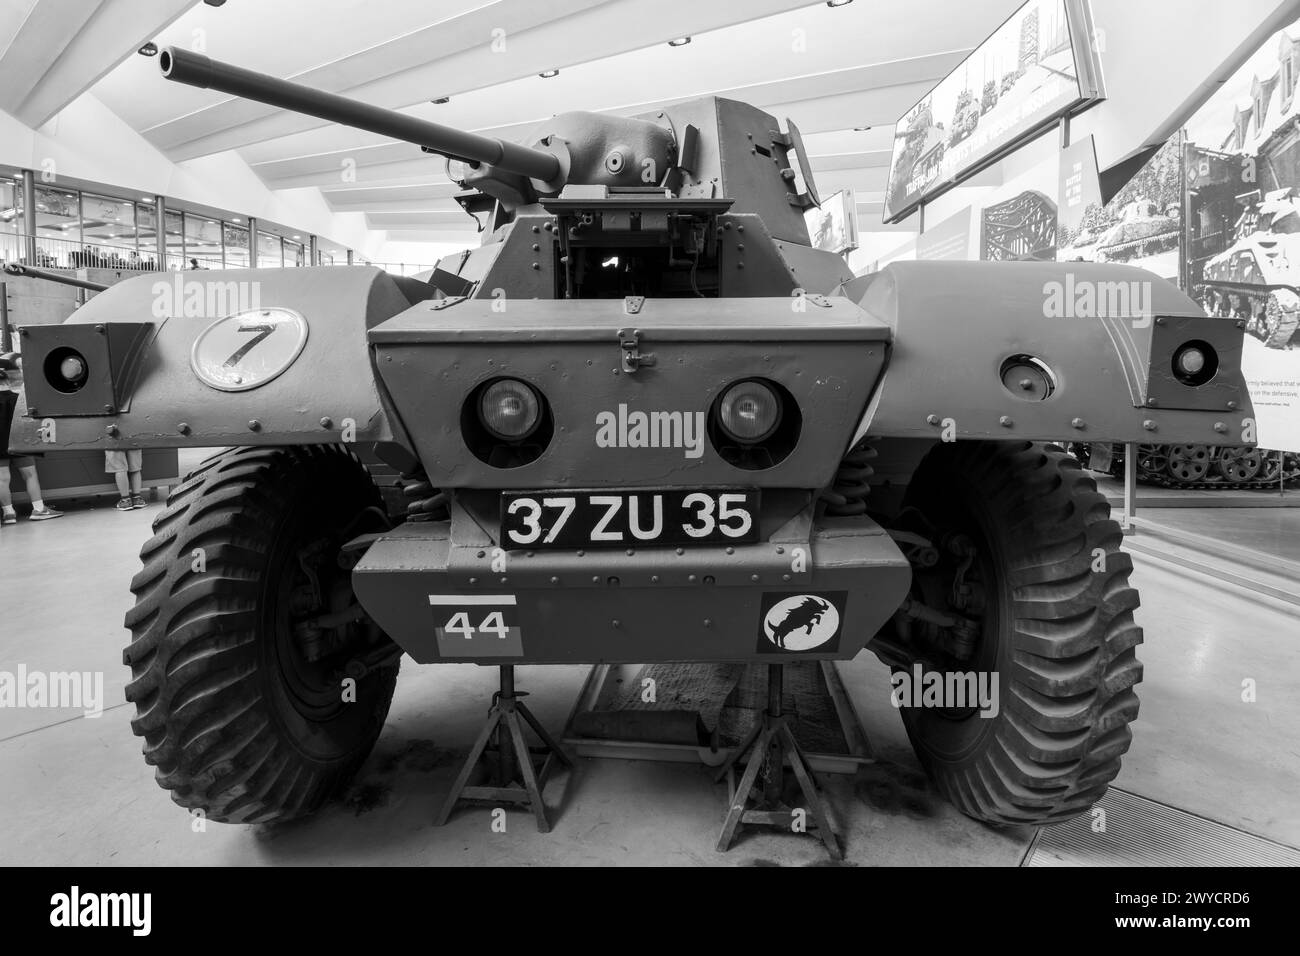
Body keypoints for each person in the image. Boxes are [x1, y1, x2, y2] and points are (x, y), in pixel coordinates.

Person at [0, 353, 63, 523]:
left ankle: (8, 513)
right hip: (20, 443)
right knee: (30, 474)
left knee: (2, 479)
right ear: (8, 379)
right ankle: (38, 509)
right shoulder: (19, 400)